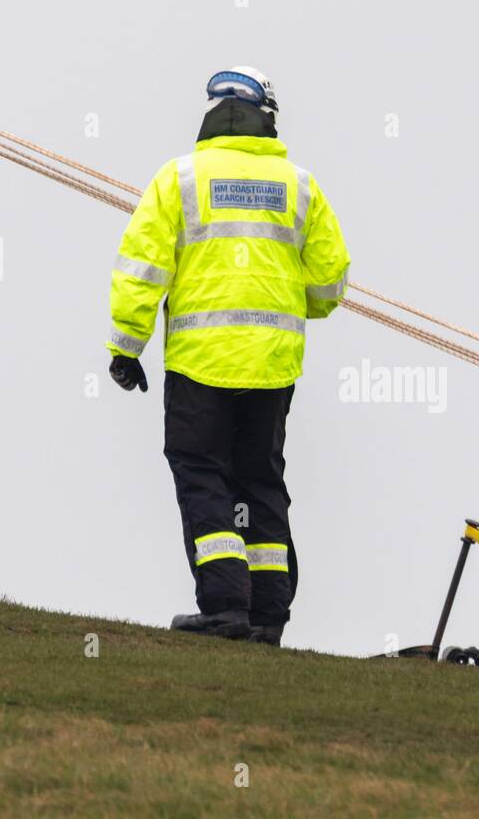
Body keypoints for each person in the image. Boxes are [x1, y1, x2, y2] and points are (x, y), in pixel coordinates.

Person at [106, 66, 350, 646]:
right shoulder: (301, 186)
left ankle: (224, 607)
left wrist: (126, 347)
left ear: (212, 114)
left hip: (198, 365)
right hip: (272, 366)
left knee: (201, 473)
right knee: (260, 479)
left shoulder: (178, 179)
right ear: (268, 115)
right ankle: (267, 613)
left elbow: (141, 270)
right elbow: (329, 283)